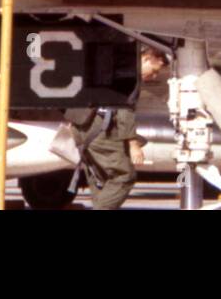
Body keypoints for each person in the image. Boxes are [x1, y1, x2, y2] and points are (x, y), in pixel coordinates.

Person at [68, 45, 167, 210]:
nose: (153, 76)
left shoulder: (112, 67)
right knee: (124, 176)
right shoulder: (130, 76)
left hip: (83, 127)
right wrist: (133, 144)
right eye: (154, 70)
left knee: (101, 178)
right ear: (146, 58)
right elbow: (124, 111)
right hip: (100, 131)